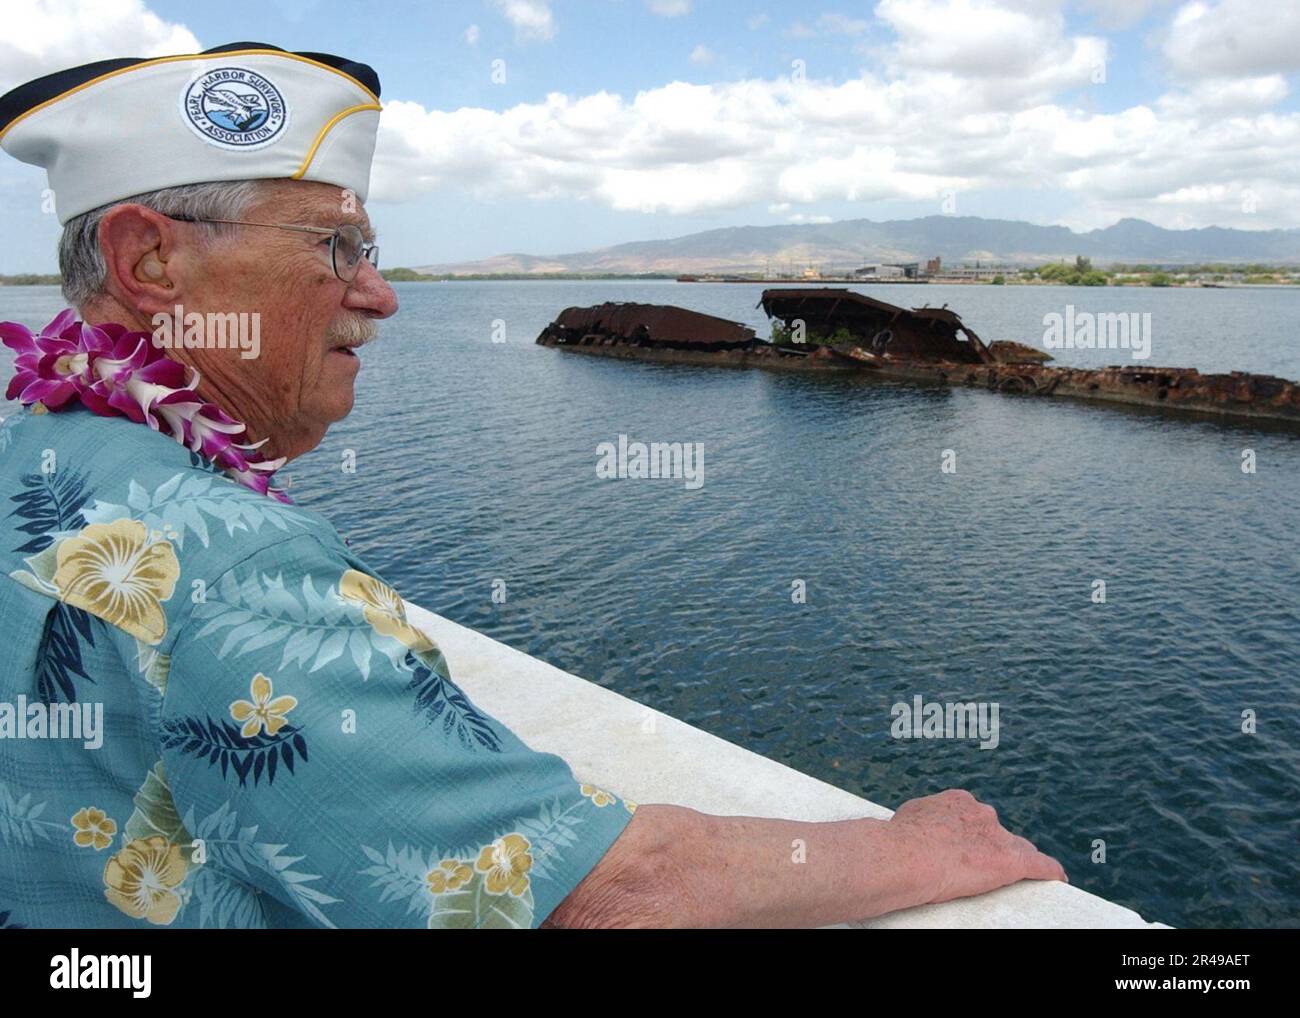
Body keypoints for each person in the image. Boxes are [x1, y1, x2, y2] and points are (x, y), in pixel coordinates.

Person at [0, 41, 1065, 929]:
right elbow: (594, 890)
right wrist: (916, 847)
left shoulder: (27, 444)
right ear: (151, 264)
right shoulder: (233, 565)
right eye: (335, 244)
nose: (378, 296)